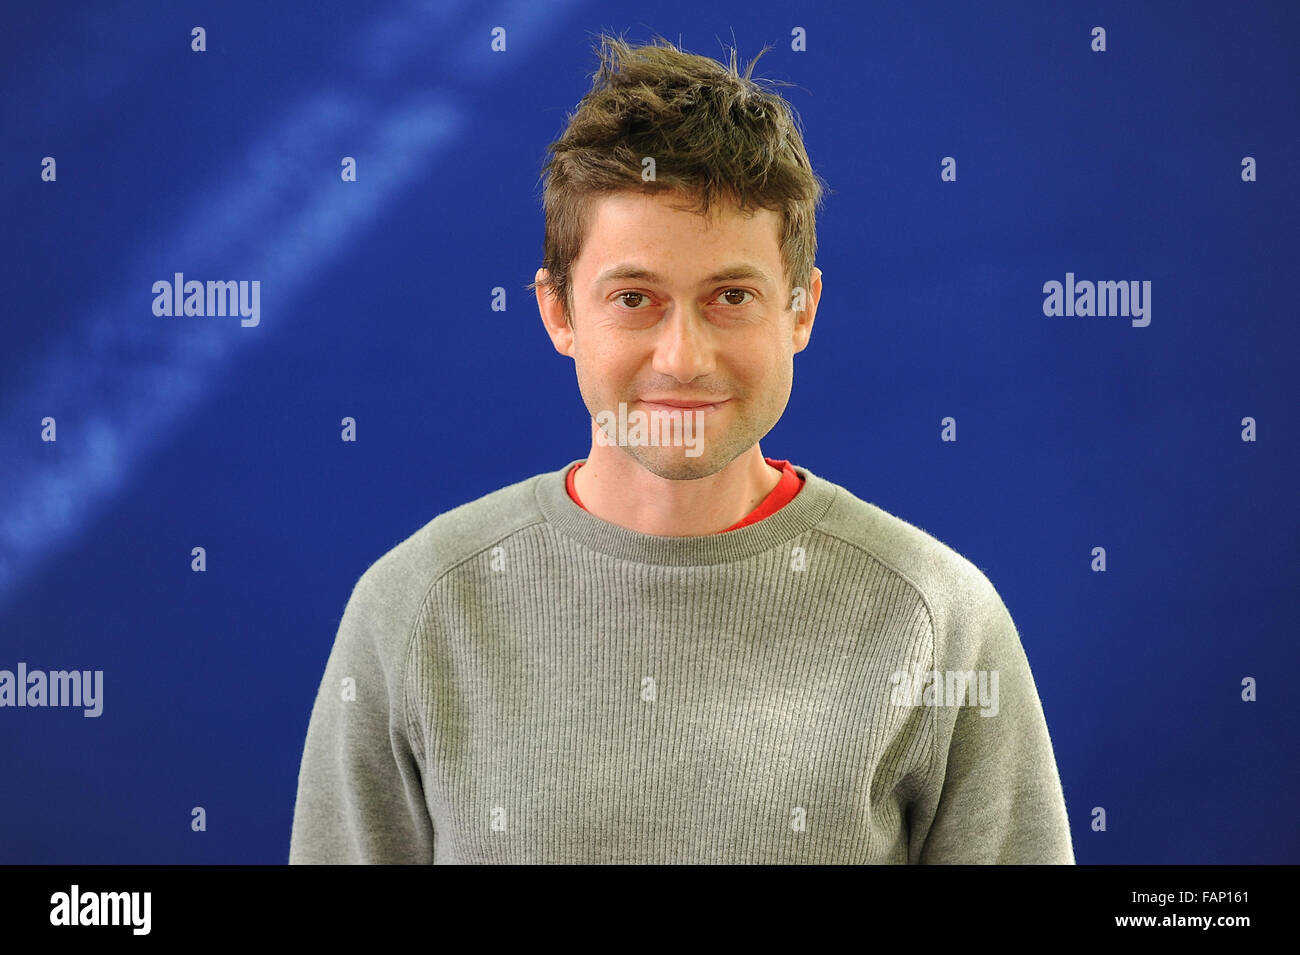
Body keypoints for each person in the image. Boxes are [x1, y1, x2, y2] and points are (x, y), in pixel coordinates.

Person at [289, 33, 1074, 864]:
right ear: (557, 313)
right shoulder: (413, 609)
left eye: (731, 295)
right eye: (635, 298)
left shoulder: (942, 622)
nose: (683, 359)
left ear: (800, 310)